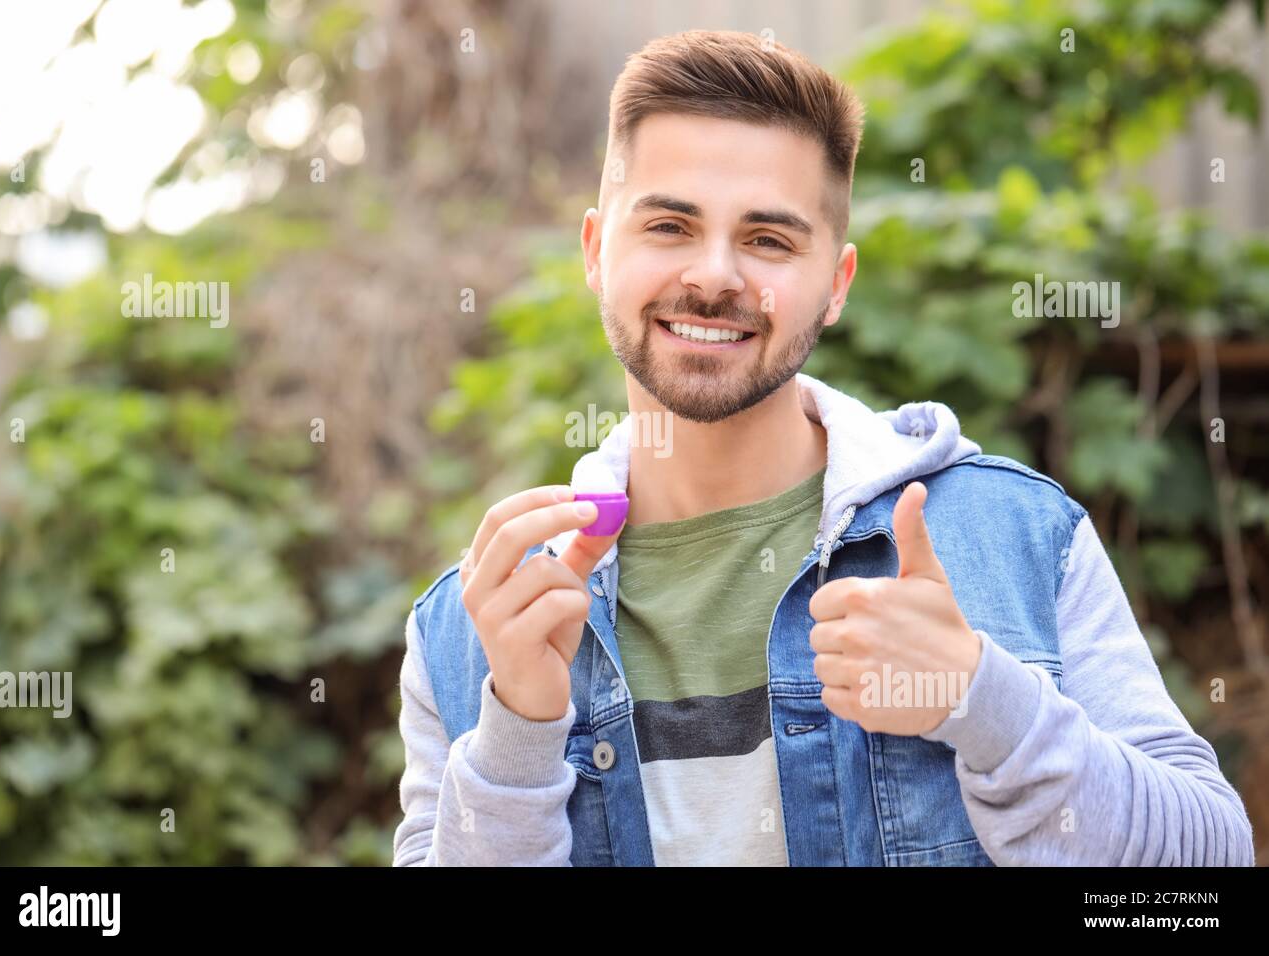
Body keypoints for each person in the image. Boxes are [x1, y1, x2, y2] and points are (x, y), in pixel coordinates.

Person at [392, 29, 1254, 866]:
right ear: (594, 252)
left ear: (835, 285)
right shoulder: (469, 631)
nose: (716, 276)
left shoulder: (1017, 536)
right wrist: (515, 740)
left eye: (768, 240)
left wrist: (985, 702)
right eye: (669, 226)